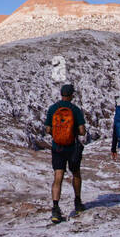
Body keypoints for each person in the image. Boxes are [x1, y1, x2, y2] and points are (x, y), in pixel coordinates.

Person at [44, 82, 88, 224]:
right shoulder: (75, 110)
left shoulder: (52, 109)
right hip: (71, 147)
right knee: (76, 173)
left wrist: (58, 134)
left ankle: (55, 208)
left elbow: (48, 129)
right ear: (72, 95)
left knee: (58, 176)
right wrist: (72, 132)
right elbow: (82, 131)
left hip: (57, 147)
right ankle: (78, 202)